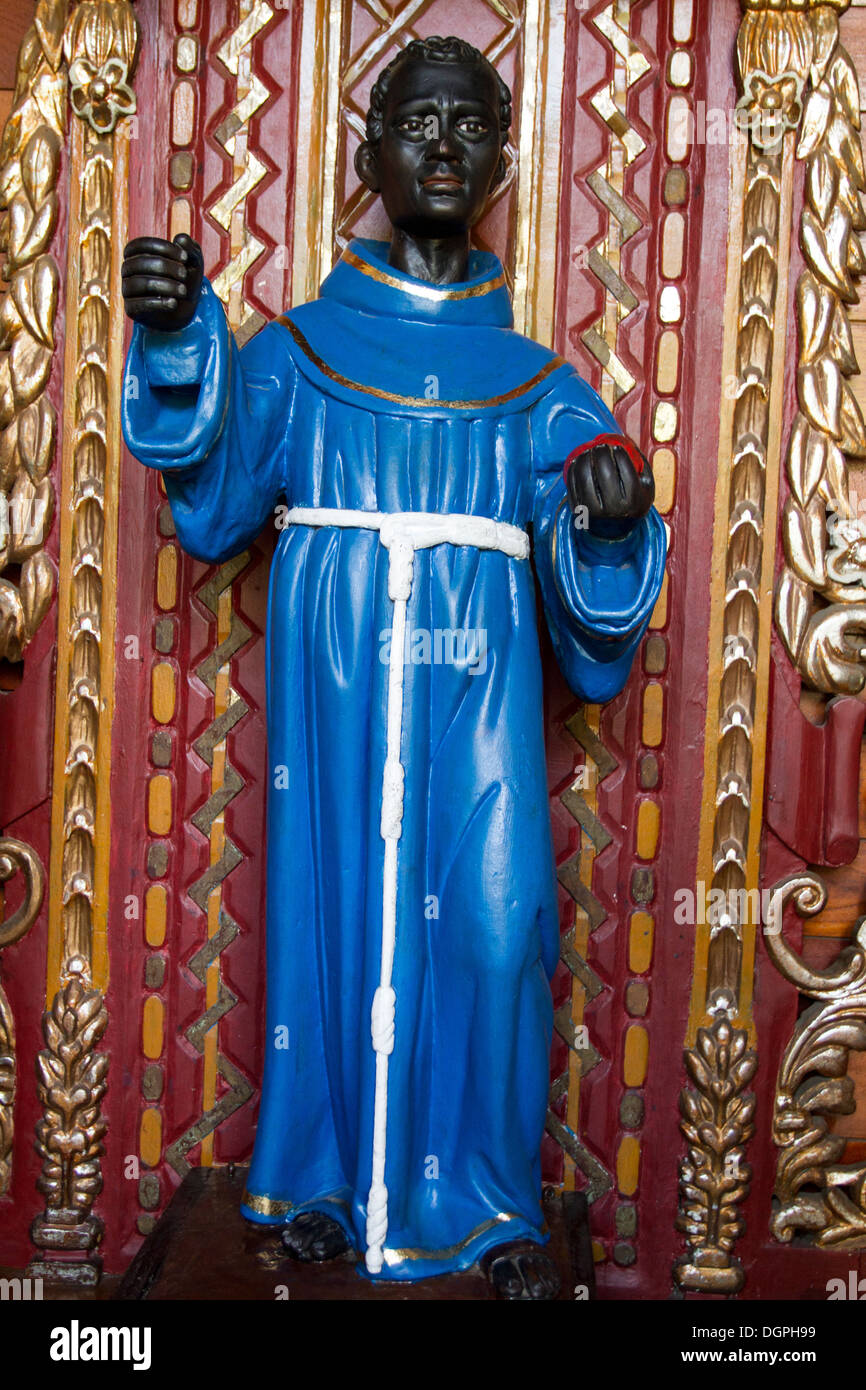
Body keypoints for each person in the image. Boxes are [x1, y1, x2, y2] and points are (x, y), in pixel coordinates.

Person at [121, 35, 665, 1299]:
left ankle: (484, 1198)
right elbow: (213, 505)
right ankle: (322, 1178)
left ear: (501, 165)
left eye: (468, 126)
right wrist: (179, 332)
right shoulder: (300, 352)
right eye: (415, 122)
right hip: (339, 682)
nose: (442, 145)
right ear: (367, 157)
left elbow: (598, 585)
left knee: (494, 926)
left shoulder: (539, 388)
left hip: (477, 689)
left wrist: (604, 516)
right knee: (333, 912)